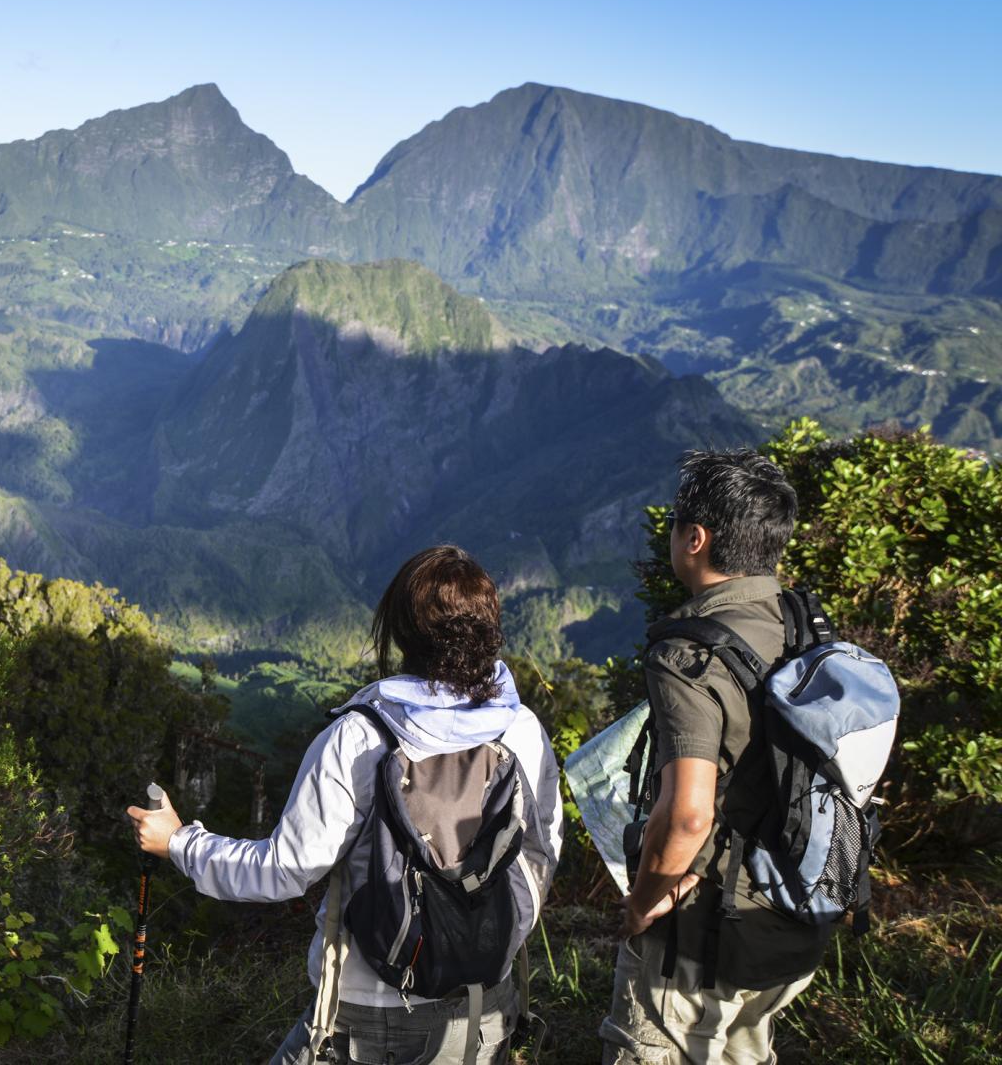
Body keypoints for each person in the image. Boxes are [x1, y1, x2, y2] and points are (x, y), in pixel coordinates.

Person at [129, 545, 562, 1064]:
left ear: (402, 633)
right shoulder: (521, 730)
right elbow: (541, 853)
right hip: (482, 1015)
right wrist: (486, 943)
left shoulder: (360, 739)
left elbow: (282, 869)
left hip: (365, 1018)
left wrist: (179, 842)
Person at [600, 448, 819, 1064]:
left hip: (702, 930)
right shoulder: (801, 624)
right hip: (791, 909)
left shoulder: (689, 656)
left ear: (695, 538)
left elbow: (689, 814)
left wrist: (642, 906)